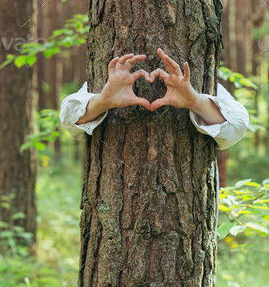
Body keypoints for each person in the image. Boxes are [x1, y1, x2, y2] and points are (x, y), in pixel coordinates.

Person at [60, 48, 249, 280]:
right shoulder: (100, 77)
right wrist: (102, 101)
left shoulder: (211, 85)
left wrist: (195, 101)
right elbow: (69, 119)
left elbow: (237, 126)